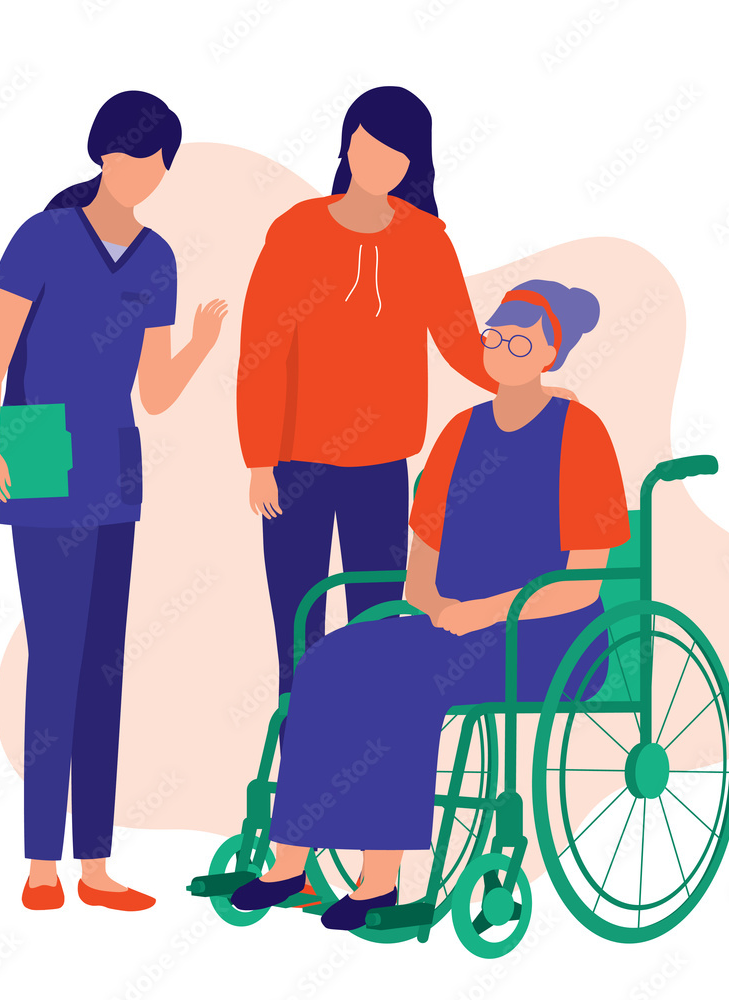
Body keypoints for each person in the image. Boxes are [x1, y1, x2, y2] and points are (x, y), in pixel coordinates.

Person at [230, 279, 630, 930]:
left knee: (402, 680)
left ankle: (379, 879)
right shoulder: (460, 431)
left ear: (552, 352)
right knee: (332, 660)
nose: (503, 349)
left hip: (549, 634)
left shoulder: (578, 433)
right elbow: (424, 549)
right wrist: (430, 601)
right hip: (450, 622)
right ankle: (290, 861)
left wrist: (482, 613)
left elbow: (583, 582)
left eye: (521, 340)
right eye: (495, 336)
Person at [236, 86, 574, 727]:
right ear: (348, 142)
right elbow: (262, 348)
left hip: (381, 464)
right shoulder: (296, 230)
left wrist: (526, 384)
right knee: (297, 627)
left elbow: (460, 341)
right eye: (370, 142)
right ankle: (299, 771)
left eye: (398, 152)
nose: (380, 159)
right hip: (291, 465)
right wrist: (259, 459)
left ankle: (367, 769)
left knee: (377, 626)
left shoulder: (425, 241)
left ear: (412, 165)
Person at [0, 91, 228, 911]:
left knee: (104, 673)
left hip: (115, 475)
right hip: (40, 464)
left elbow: (154, 392)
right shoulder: (43, 237)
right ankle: (41, 865)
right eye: (129, 154)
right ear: (101, 153)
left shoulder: (158, 259)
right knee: (56, 666)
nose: (142, 171)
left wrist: (200, 346)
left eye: (155, 161)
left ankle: (96, 866)